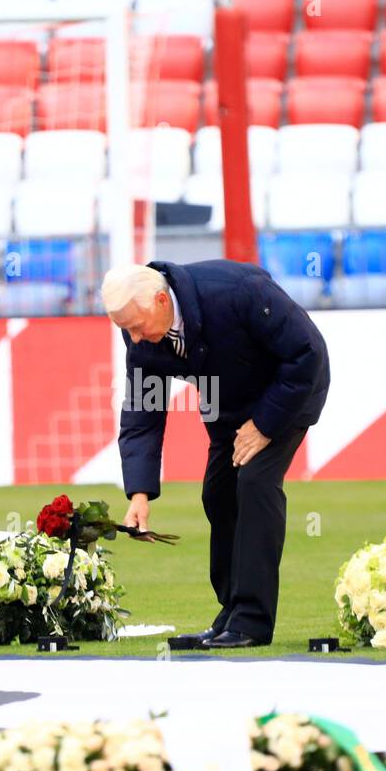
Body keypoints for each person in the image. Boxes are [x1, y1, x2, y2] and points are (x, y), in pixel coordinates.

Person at [103, 262, 330, 648]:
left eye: (137, 326)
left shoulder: (238, 292)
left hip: (288, 393)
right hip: (228, 406)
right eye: (126, 330)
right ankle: (231, 613)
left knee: (255, 483)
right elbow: (143, 411)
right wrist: (139, 493)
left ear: (161, 301)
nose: (135, 339)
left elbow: (307, 353)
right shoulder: (139, 331)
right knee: (218, 494)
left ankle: (252, 622)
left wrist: (264, 424)